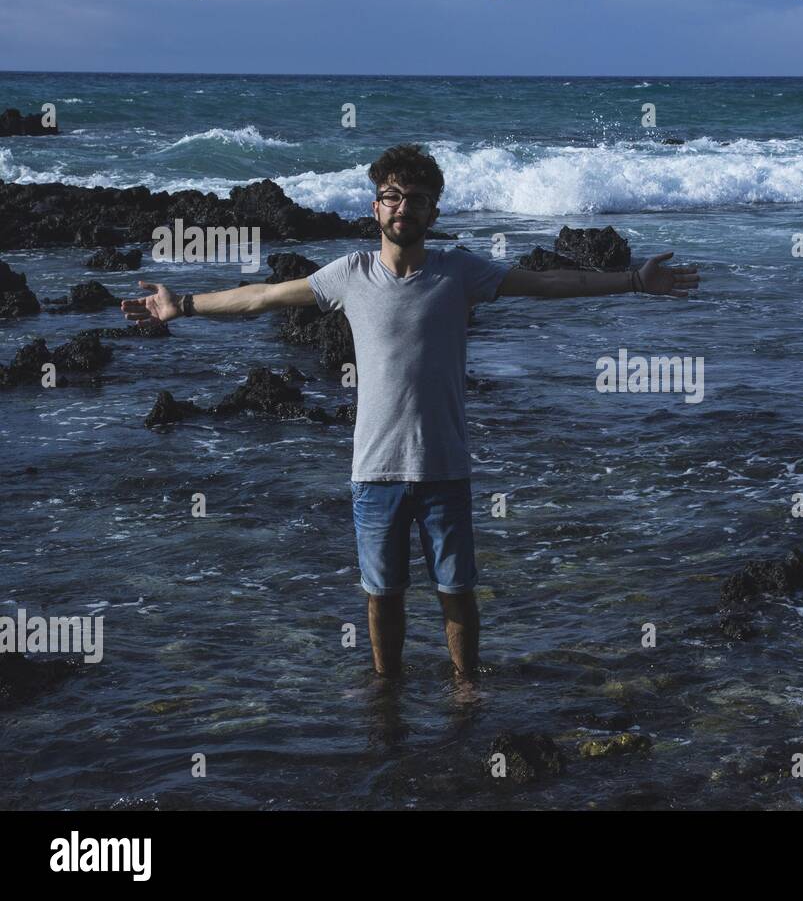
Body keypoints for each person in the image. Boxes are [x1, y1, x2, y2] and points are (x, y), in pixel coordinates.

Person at [120, 143, 700, 685]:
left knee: (457, 590)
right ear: (377, 206)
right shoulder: (348, 275)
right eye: (393, 197)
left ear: (433, 210)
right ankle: (387, 689)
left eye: (416, 199)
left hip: (444, 466)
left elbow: (547, 282)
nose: (403, 208)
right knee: (382, 594)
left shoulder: (460, 272)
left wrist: (631, 281)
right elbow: (262, 296)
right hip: (373, 471)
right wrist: (183, 305)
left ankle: (466, 687)